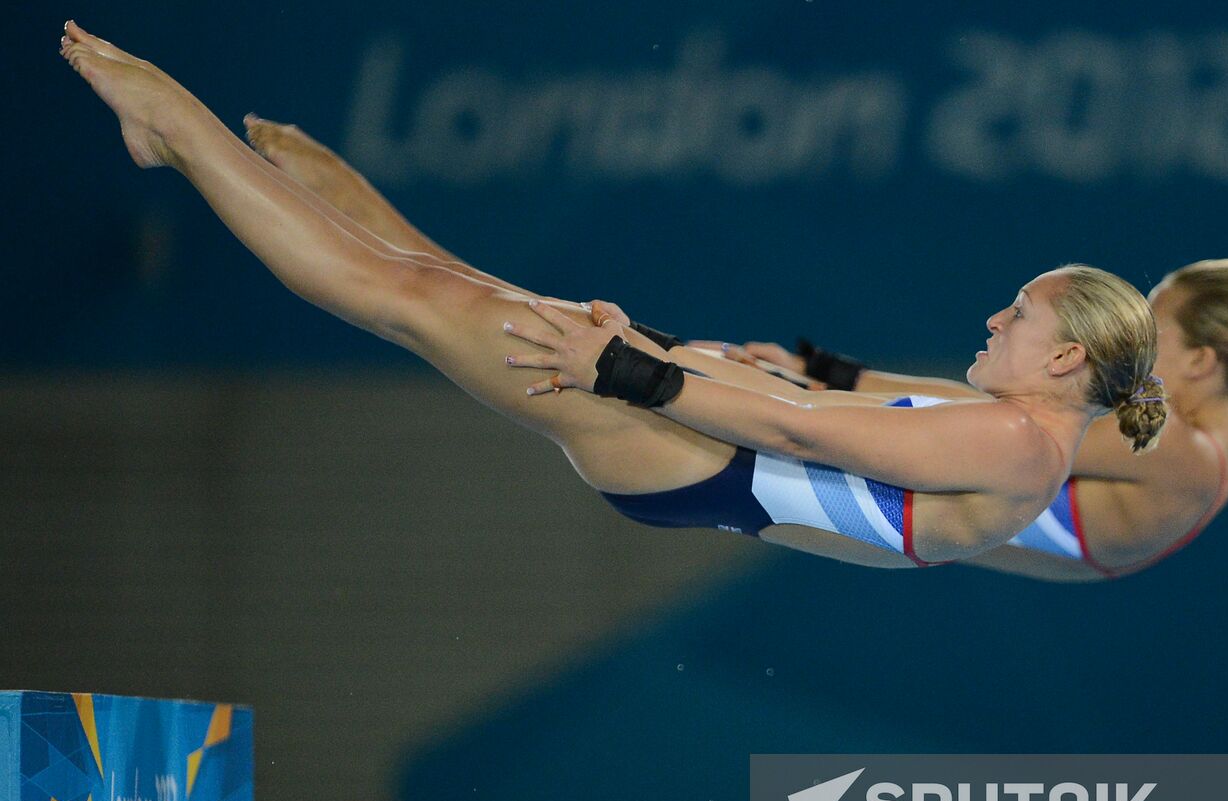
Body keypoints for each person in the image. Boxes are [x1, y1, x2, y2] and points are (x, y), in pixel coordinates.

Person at [59, 22, 1163, 569]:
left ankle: (176, 128)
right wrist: (696, 360)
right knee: (444, 292)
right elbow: (822, 397)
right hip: (707, 437)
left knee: (405, 300)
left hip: (704, 459)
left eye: (1015, 314)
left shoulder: (1025, 449)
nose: (992, 318)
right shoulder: (1011, 428)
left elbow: (800, 424)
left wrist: (636, 370)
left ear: (1065, 358)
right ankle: (332, 197)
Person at [720, 265, 1228, 580]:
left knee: (715, 409)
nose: (1129, 333)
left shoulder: (1179, 452)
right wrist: (826, 376)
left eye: (1150, 320)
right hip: (934, 525)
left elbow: (971, 416)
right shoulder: (1191, 450)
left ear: (1200, 361)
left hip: (909, 520)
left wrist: (820, 377)